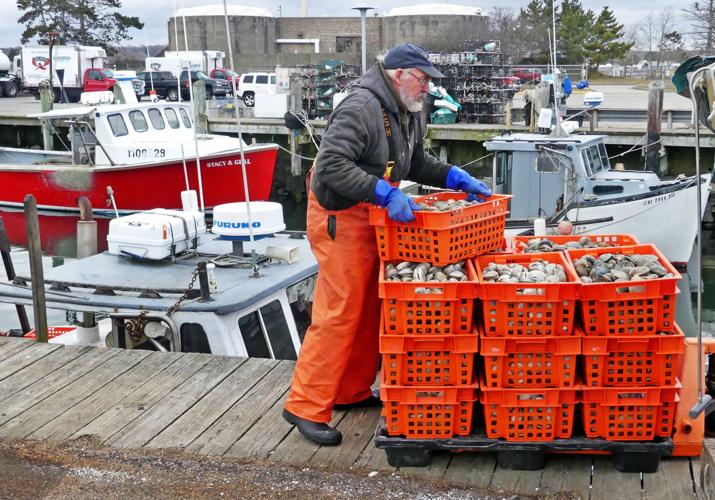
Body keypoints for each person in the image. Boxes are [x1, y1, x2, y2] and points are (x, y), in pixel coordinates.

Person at [282, 44, 491, 446]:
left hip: (373, 213)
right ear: (399, 75)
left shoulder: (407, 112)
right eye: (423, 78)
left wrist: (455, 177)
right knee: (339, 310)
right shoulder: (360, 107)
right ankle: (304, 406)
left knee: (370, 306)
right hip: (338, 214)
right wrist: (384, 191)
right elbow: (331, 167)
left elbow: (414, 163)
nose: (428, 87)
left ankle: (348, 391)